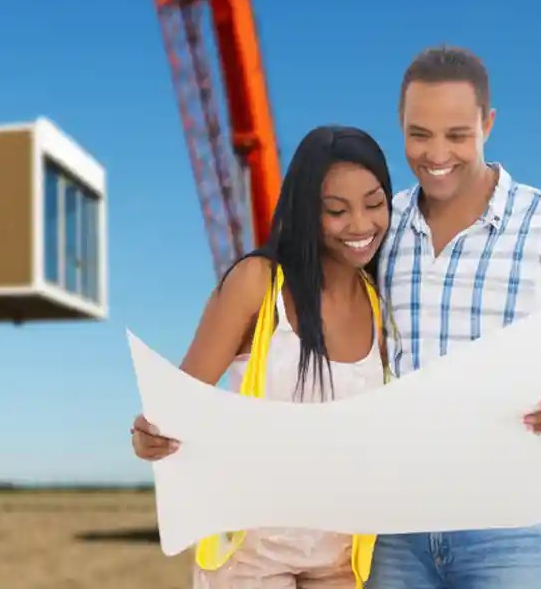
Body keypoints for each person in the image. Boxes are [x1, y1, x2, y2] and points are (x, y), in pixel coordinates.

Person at [365, 45, 541, 588]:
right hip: (390, 522)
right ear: (400, 126)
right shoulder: (377, 226)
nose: (437, 152)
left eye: (458, 134)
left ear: (488, 124)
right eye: (420, 134)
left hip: (510, 524)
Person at [131, 124, 397, 589]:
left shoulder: (379, 303)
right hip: (249, 557)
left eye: (374, 204)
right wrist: (149, 435)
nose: (360, 225)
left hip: (342, 557)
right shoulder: (259, 283)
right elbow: (176, 404)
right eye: (337, 211)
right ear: (305, 212)